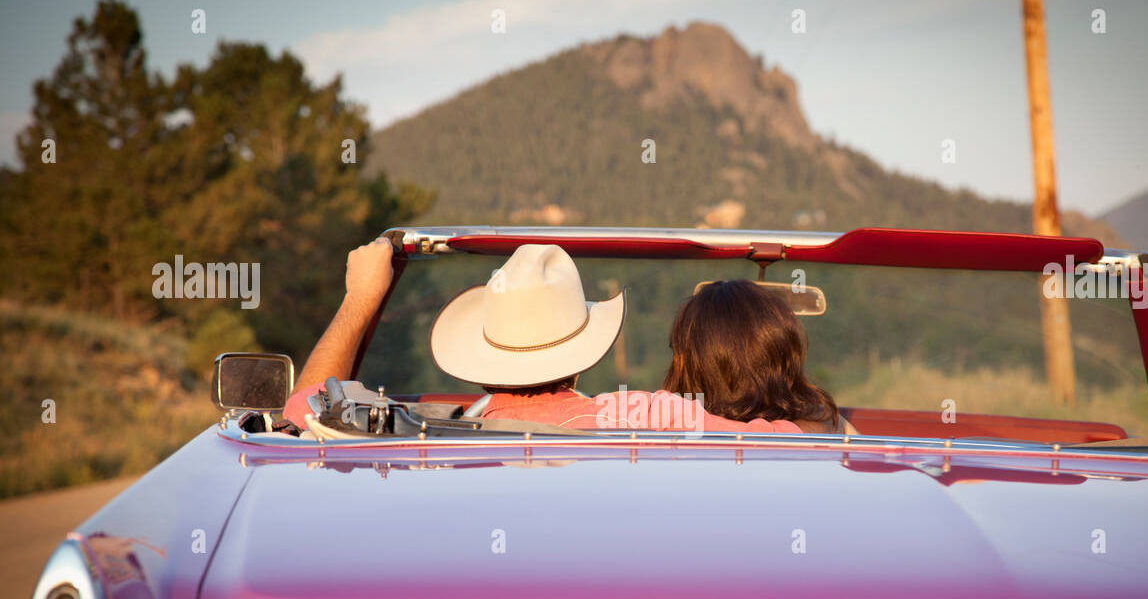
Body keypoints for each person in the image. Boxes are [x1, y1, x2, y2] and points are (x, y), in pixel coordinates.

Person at [283, 239, 804, 434]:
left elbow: (302, 407)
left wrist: (359, 299)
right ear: (581, 354)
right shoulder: (636, 416)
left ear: (483, 350)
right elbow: (787, 443)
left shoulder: (416, 432)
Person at [663, 279, 857, 434]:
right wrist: (826, 421)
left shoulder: (653, 420)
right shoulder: (822, 428)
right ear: (782, 363)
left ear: (684, 362)